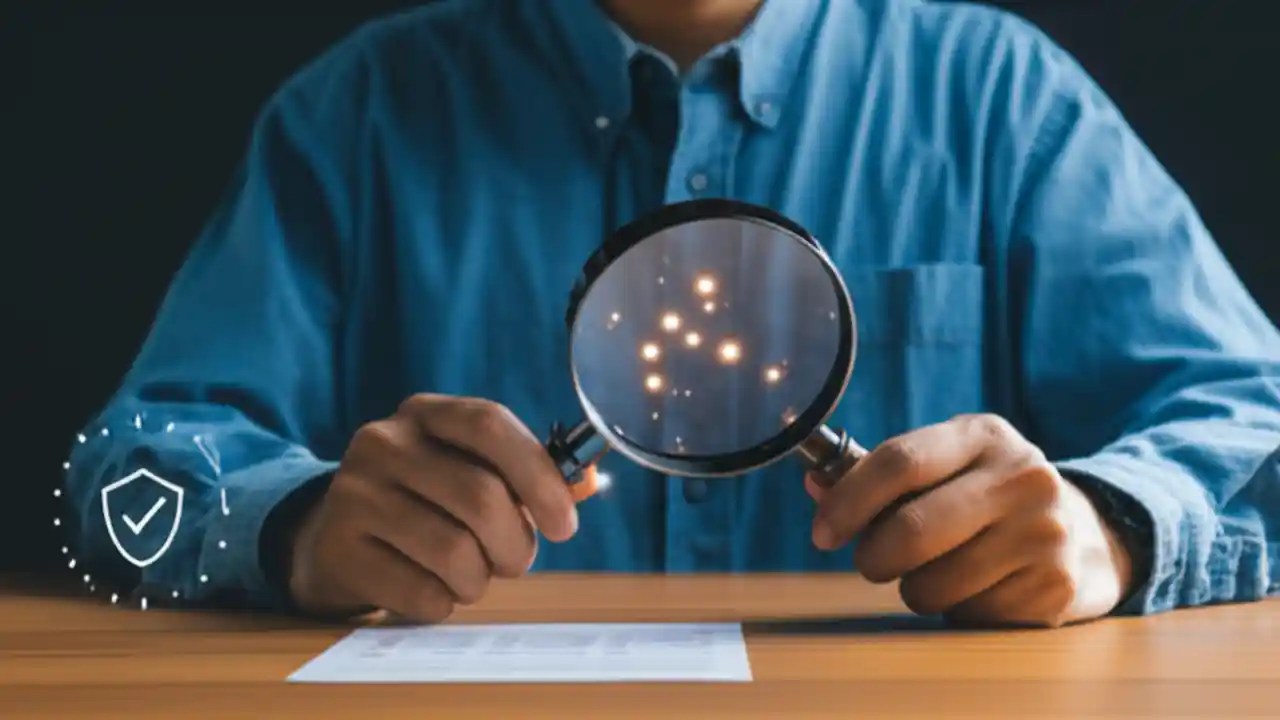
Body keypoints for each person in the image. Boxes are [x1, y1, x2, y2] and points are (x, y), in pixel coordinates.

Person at [66, 0, 1280, 627]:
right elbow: (112, 497)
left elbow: (1258, 422)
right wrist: (294, 530)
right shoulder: (358, 114)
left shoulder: (1001, 100)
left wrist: (1116, 530)